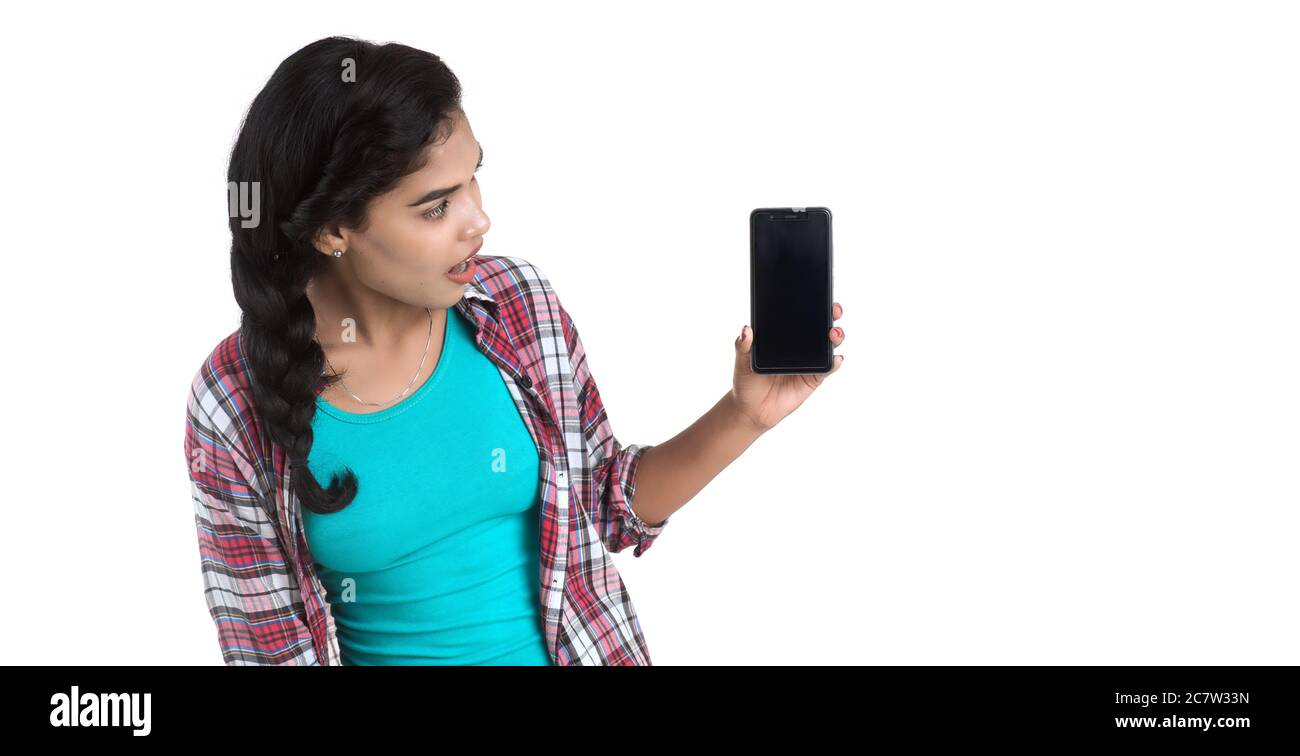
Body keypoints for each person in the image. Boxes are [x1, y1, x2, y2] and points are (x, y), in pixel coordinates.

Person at [183, 35, 846, 666]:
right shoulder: (234, 399)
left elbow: (610, 506)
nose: (478, 219)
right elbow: (267, 647)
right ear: (333, 230)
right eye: (436, 207)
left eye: (473, 179)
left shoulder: (514, 304)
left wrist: (745, 413)